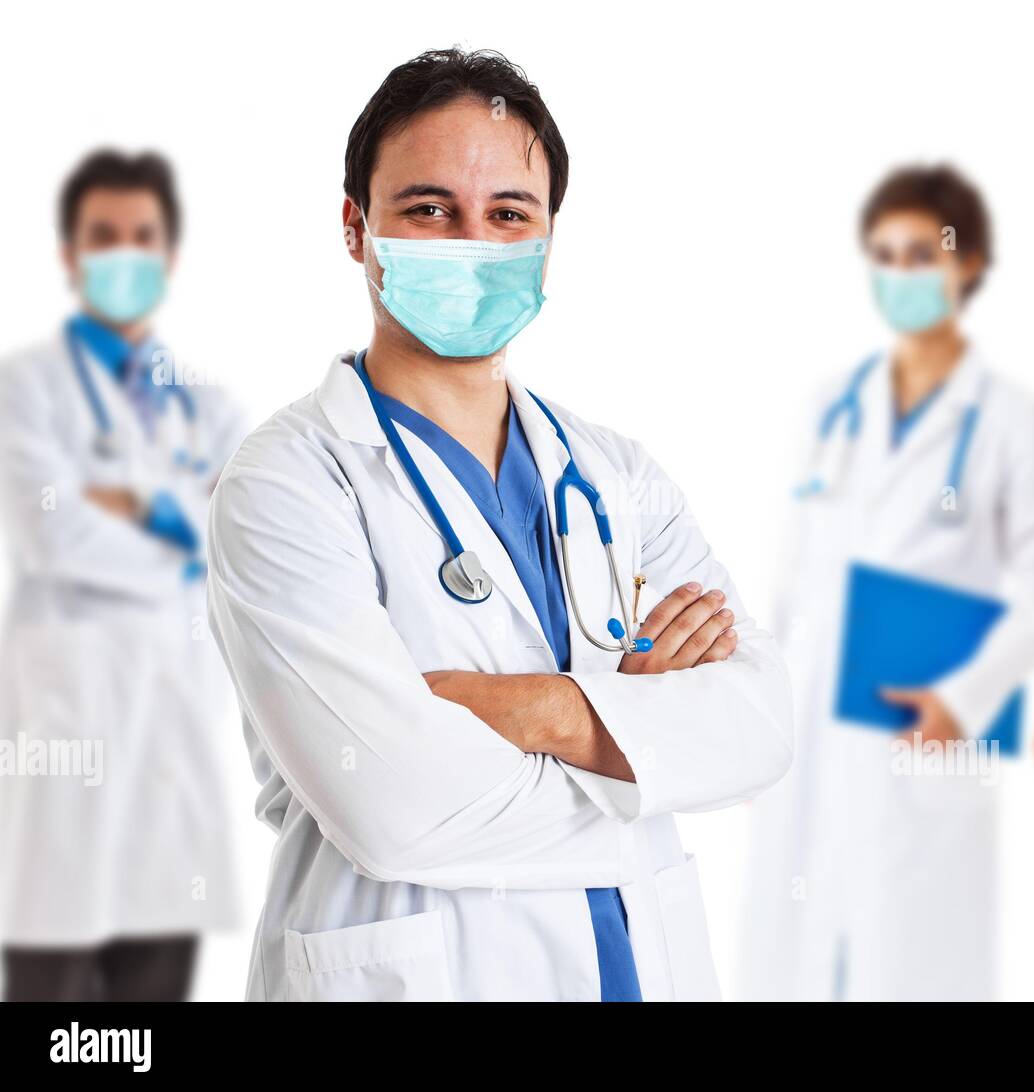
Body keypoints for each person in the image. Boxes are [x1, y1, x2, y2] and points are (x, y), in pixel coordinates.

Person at [204, 48, 792, 1003]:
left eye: (508, 215)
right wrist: (645, 745)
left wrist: (538, 708)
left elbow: (762, 726)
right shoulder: (287, 482)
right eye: (429, 208)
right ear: (358, 228)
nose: (471, 241)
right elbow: (398, 807)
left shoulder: (615, 475)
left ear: (548, 240)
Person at [738, 166, 1034, 1001]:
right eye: (886, 257)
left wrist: (966, 697)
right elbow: (790, 582)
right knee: (801, 950)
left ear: (969, 265)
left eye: (922, 254)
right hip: (811, 723)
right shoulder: (833, 405)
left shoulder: (1009, 417)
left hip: (928, 726)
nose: (902, 276)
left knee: (914, 961)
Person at [0, 150, 244, 1001]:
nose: (124, 254)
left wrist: (135, 505)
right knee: (53, 999)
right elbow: (57, 538)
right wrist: (184, 514)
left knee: (146, 1016)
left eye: (142, 237)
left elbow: (242, 544)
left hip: (175, 753)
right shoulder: (25, 388)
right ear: (69, 256)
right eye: (104, 236)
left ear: (169, 257)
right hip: (67, 744)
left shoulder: (206, 402)